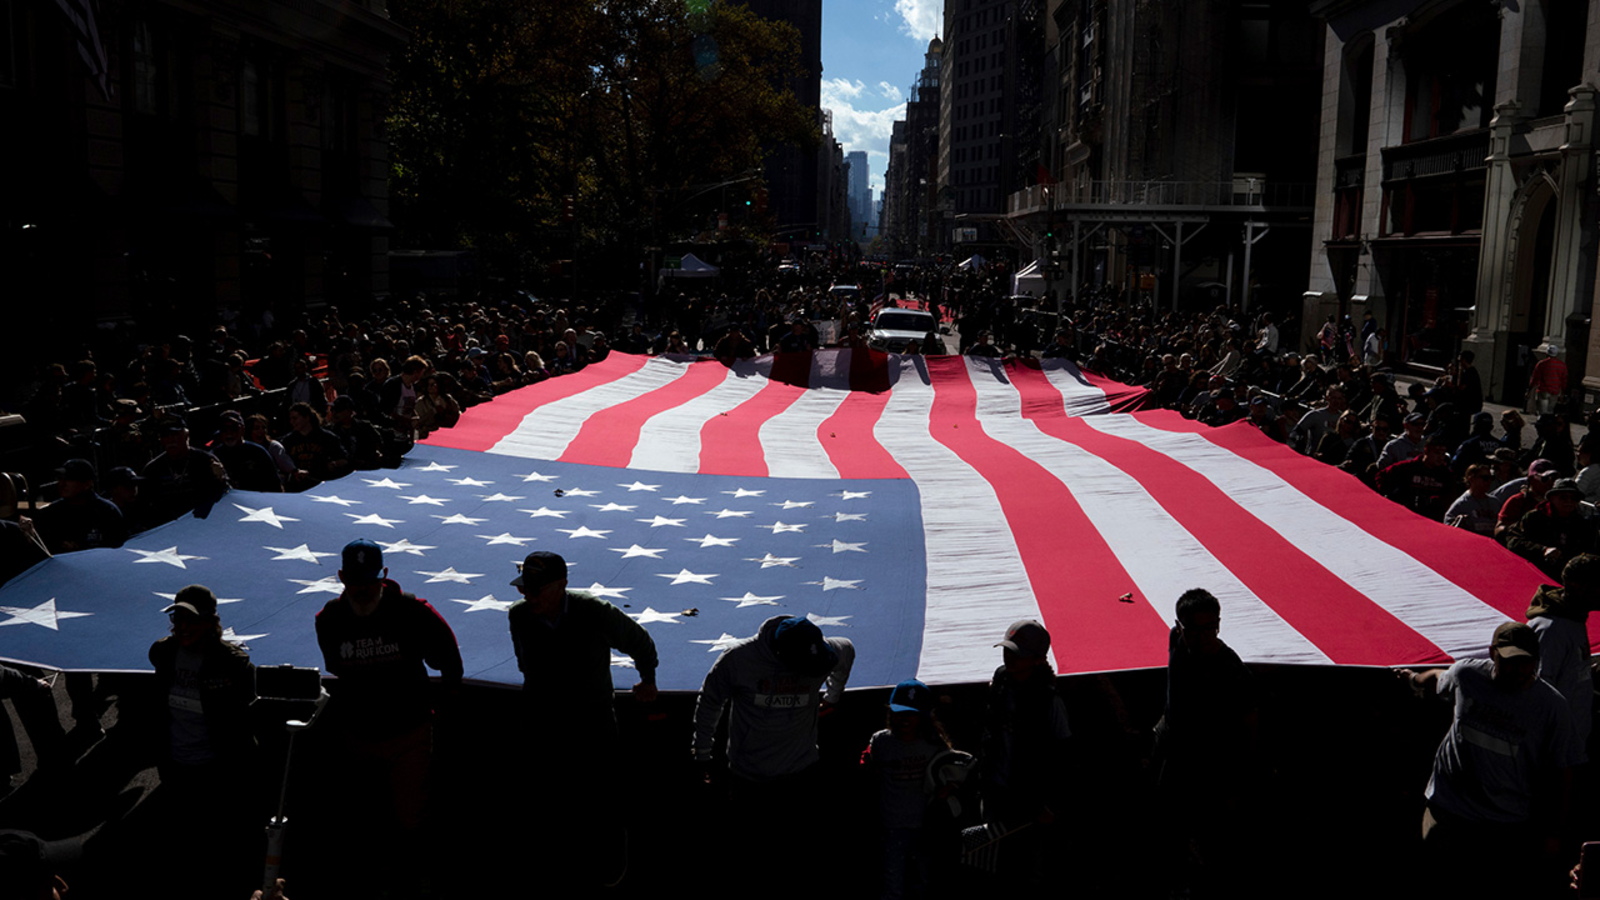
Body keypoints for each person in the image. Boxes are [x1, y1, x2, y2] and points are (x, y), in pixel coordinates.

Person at [505, 550, 658, 886]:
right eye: (524, 589)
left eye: (536, 589)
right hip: (542, 724)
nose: (528, 596)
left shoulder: (594, 612)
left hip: (592, 725)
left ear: (562, 584)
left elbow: (640, 642)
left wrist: (647, 679)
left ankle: (610, 869)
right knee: (547, 798)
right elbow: (524, 662)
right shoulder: (518, 616)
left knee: (601, 798)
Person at [1398, 623, 1582, 895]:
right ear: (1492, 653)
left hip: (1504, 824)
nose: (1517, 671)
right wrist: (1413, 679)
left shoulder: (1552, 708)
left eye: (1526, 663)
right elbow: (1439, 678)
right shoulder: (1468, 675)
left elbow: (1563, 772)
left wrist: (1554, 833)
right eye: (1509, 662)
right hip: (1448, 810)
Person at [313, 540, 462, 869]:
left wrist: (443, 712)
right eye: (354, 582)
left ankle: (417, 877)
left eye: (370, 581)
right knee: (365, 815)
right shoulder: (330, 619)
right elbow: (335, 666)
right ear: (340, 577)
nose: (362, 589)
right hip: (357, 735)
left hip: (408, 733)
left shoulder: (413, 611)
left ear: (384, 576)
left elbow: (450, 661)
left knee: (411, 816)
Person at [692, 615, 854, 895]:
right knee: (753, 859)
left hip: (801, 774)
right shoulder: (738, 660)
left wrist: (832, 697)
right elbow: (709, 704)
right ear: (781, 655)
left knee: (798, 858)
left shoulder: (826, 651)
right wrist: (702, 755)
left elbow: (847, 651)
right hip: (750, 778)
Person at [145, 584, 258, 898]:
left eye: (191, 620)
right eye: (178, 619)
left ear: (209, 622)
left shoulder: (234, 664)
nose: (183, 627)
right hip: (176, 767)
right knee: (184, 839)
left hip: (217, 770)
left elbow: (247, 716)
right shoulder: (162, 653)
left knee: (221, 841)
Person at [1154, 589, 1258, 895]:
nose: (1201, 636)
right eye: (1193, 629)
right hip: (1175, 763)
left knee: (1215, 849)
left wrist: (1239, 782)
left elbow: (1250, 725)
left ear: (1219, 624)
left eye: (1209, 628)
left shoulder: (1230, 669)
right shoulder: (1177, 641)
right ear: (1179, 625)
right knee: (1170, 842)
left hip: (1213, 774)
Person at [978, 620, 1071, 885]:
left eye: (1016, 652)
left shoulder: (1049, 700)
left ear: (1038, 659)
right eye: (1007, 650)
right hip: (996, 794)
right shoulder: (1000, 682)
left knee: (1028, 869)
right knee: (994, 868)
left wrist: (1050, 804)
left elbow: (1062, 756)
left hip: (1031, 803)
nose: (1009, 657)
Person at [860, 679, 950, 900]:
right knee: (892, 881)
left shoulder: (933, 743)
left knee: (923, 878)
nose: (904, 719)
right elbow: (868, 763)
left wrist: (946, 789)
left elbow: (950, 772)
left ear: (924, 716)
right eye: (899, 712)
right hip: (892, 823)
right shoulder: (882, 741)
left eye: (912, 713)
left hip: (925, 824)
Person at [1526, 553, 1600, 759]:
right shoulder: (1552, 629)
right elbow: (1538, 690)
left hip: (1572, 740)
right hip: (1554, 748)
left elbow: (1568, 673)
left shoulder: (1574, 619)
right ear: (1575, 585)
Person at [140, 418, 230, 523]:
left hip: (203, 521)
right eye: (165, 436)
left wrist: (221, 478)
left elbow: (225, 493)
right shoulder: (153, 469)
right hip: (168, 526)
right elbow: (144, 504)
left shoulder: (205, 461)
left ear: (186, 435)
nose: (170, 440)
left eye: (175, 435)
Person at [31, 459, 125, 554]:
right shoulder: (51, 512)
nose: (62, 484)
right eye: (60, 478)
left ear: (87, 484)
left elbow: (118, 550)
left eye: (69, 479)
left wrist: (81, 549)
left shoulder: (107, 512)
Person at [1530, 344, 1568, 415]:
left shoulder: (1542, 364)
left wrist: (1529, 390)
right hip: (1555, 391)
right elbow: (1564, 380)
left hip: (1543, 390)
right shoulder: (1562, 365)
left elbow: (1535, 378)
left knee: (1542, 412)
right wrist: (1562, 393)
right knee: (1550, 411)